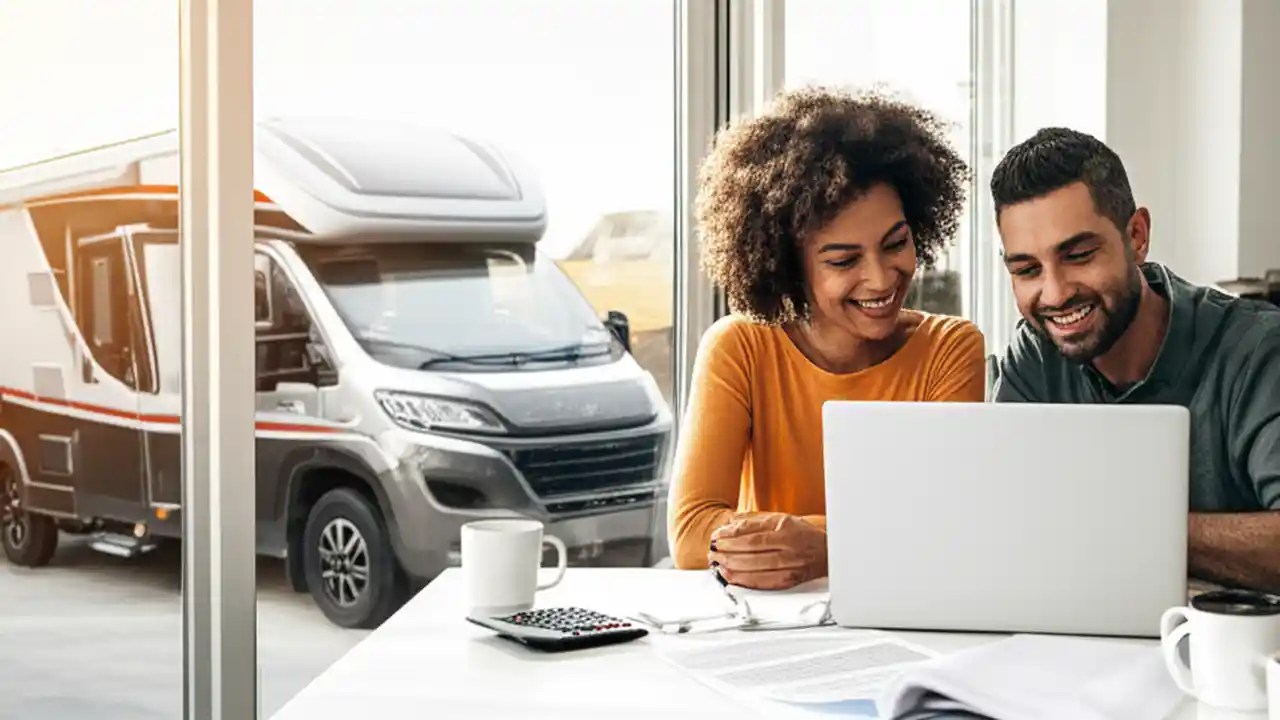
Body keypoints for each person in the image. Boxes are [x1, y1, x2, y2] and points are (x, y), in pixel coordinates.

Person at [667, 87, 987, 590]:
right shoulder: (740, 348)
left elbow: (944, 528)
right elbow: (691, 534)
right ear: (789, 265)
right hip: (765, 619)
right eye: (843, 260)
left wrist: (827, 548)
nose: (881, 278)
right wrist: (860, 539)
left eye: (896, 243)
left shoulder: (950, 349)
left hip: (900, 612)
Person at [990, 127, 1280, 594]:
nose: (1055, 294)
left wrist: (1127, 525)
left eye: (1079, 255)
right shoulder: (1035, 355)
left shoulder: (1258, 350)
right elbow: (1007, 519)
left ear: (1137, 236)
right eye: (1027, 270)